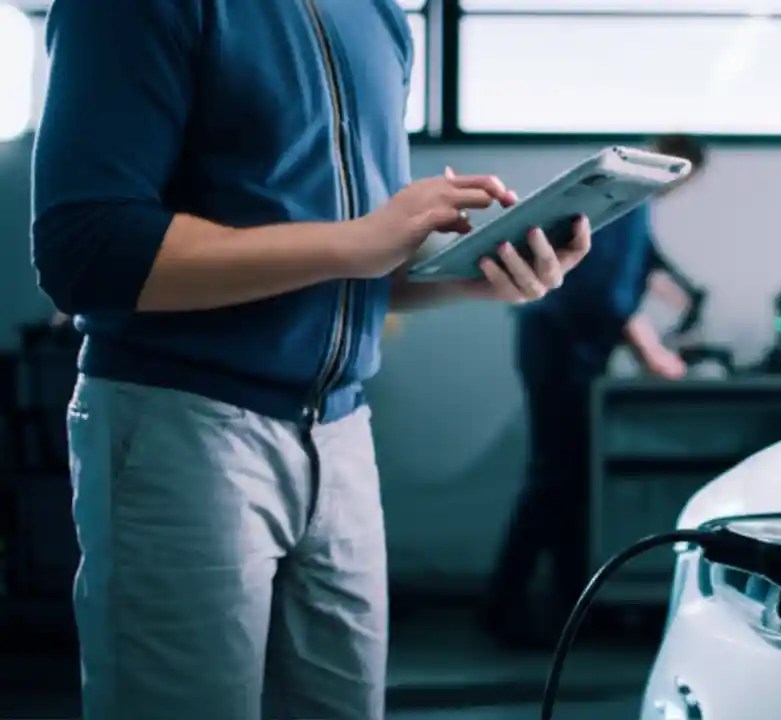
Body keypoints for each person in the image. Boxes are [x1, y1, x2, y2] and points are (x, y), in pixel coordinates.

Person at [29, 1, 591, 719]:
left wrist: (469, 275)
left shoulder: (379, 16)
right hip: (184, 427)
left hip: (343, 432)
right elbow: (87, 251)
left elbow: (357, 257)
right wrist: (363, 241)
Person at [481, 134, 708, 647]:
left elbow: (650, 267)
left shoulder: (636, 206)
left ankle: (568, 606)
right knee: (553, 478)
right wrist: (654, 354)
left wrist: (684, 298)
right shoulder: (632, 201)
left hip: (564, 347)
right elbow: (608, 295)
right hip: (561, 349)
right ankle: (504, 606)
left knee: (569, 480)